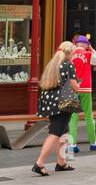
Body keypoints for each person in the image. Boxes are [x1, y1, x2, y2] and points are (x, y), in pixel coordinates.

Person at [33, 41, 77, 176]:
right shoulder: (68, 64)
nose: (74, 56)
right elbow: (74, 85)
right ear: (69, 53)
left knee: (64, 132)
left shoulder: (53, 63)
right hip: (63, 102)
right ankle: (39, 164)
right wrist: (79, 87)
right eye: (73, 53)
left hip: (51, 101)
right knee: (55, 133)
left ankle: (62, 162)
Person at [70, 35, 96, 153]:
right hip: (85, 88)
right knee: (89, 116)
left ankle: (72, 144)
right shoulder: (88, 54)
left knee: (73, 117)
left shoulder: (70, 54)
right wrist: (92, 49)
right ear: (86, 44)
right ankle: (93, 143)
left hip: (73, 88)